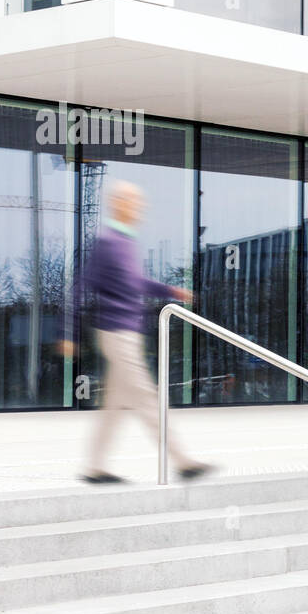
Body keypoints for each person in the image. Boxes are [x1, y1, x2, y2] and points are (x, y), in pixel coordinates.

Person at [61, 181, 213, 484]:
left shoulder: (126, 242)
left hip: (127, 333)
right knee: (146, 398)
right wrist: (68, 332)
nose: (140, 209)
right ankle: (183, 462)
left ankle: (94, 468)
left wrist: (170, 290)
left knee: (114, 406)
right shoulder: (108, 243)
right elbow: (79, 287)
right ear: (119, 204)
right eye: (134, 203)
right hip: (117, 334)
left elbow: (135, 283)